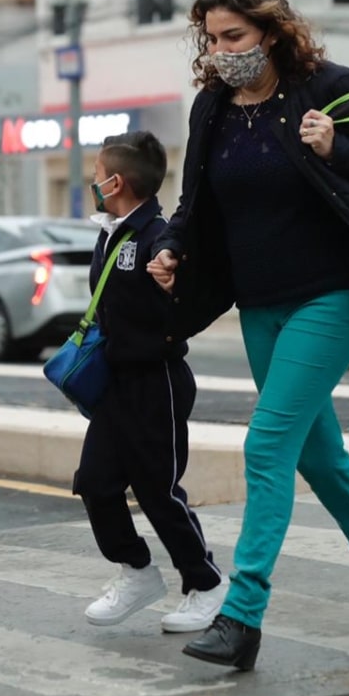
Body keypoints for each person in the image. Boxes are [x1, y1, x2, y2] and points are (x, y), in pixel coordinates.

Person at [146, 0, 349, 671]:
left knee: (268, 444)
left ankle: (242, 617)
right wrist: (172, 246)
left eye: (235, 37)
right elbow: (194, 202)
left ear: (272, 32)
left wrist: (338, 149)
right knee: (317, 454)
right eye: (212, 40)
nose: (222, 52)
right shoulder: (213, 107)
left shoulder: (330, 87)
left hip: (334, 294)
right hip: (260, 302)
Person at [75, 130, 227, 635]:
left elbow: (182, 278)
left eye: (97, 174)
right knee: (96, 482)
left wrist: (171, 271)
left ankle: (207, 584)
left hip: (155, 382)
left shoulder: (157, 236)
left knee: (158, 491)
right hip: (115, 384)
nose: (93, 182)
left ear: (116, 182)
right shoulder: (111, 232)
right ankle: (137, 570)